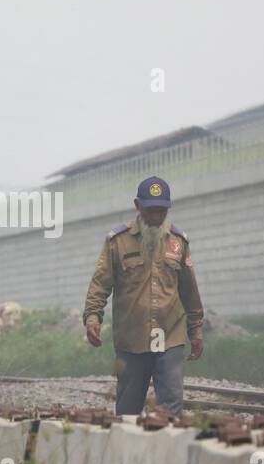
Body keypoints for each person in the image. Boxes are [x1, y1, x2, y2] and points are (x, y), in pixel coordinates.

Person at [83, 176, 204, 418]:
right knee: (128, 410)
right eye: (150, 210)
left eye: (161, 210)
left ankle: (168, 454)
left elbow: (189, 290)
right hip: (131, 340)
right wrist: (93, 318)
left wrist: (196, 331)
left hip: (170, 336)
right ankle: (129, 455)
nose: (156, 216)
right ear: (138, 206)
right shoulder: (117, 242)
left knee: (171, 409)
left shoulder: (178, 243)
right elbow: (100, 284)